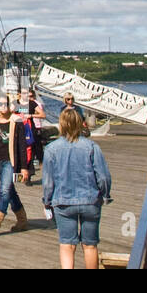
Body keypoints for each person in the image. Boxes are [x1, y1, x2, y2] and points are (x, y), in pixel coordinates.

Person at [42, 107, 112, 269]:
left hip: (63, 201)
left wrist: (47, 201)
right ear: (81, 123)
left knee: (67, 245)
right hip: (90, 200)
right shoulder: (92, 147)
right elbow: (103, 176)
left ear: (62, 125)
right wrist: (105, 195)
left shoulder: (51, 149)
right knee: (90, 245)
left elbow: (48, 181)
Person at [0, 95, 28, 235]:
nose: (4, 106)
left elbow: (22, 145)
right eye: (1, 104)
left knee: (4, 191)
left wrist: (24, 167)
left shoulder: (16, 121)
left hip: (11, 161)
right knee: (10, 191)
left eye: (6, 104)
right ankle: (22, 219)